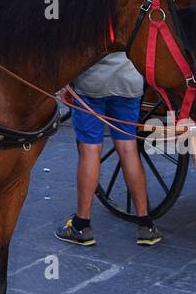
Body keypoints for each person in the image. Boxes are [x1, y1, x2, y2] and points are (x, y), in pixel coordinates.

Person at [55, 51, 161, 248]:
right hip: (129, 80)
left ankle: (82, 223)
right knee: (129, 148)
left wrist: (67, 82)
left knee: (90, 150)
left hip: (91, 83)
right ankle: (145, 224)